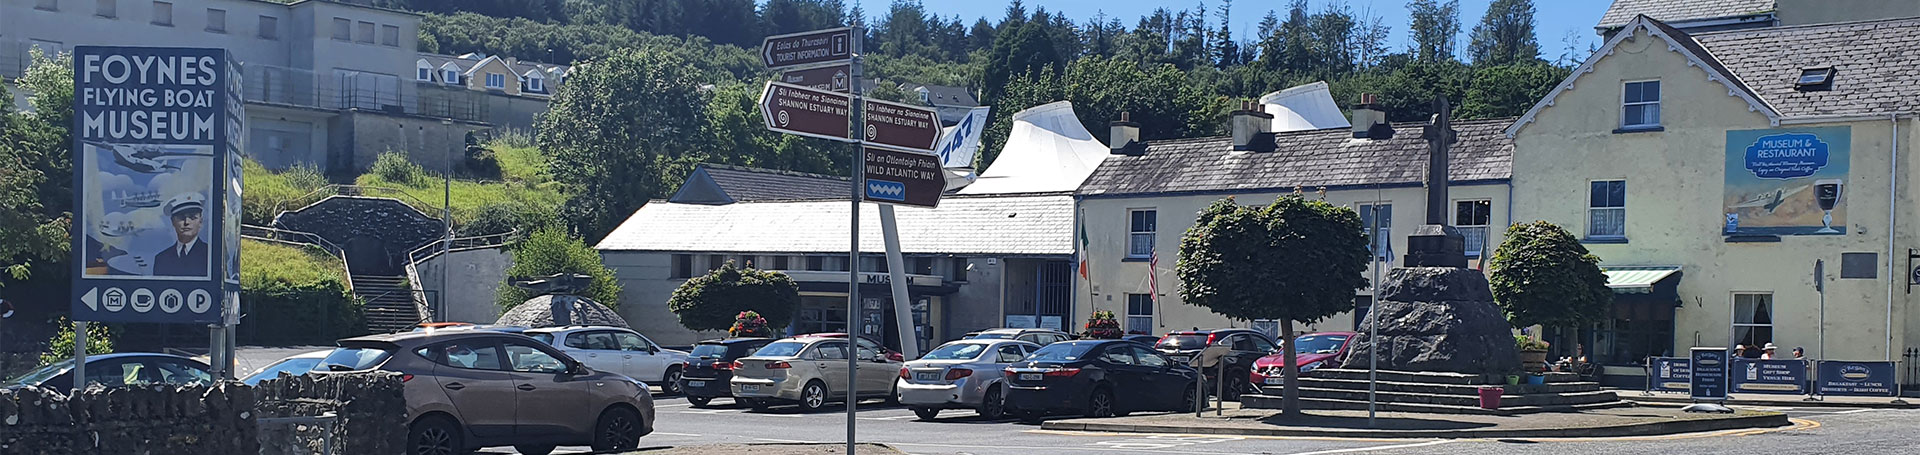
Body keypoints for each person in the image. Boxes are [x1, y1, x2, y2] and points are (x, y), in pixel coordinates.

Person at [151, 193, 209, 277]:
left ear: (200, 221)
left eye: (192, 217)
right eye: (181, 218)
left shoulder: (209, 255)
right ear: (173, 222)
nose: (186, 222)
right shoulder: (162, 259)